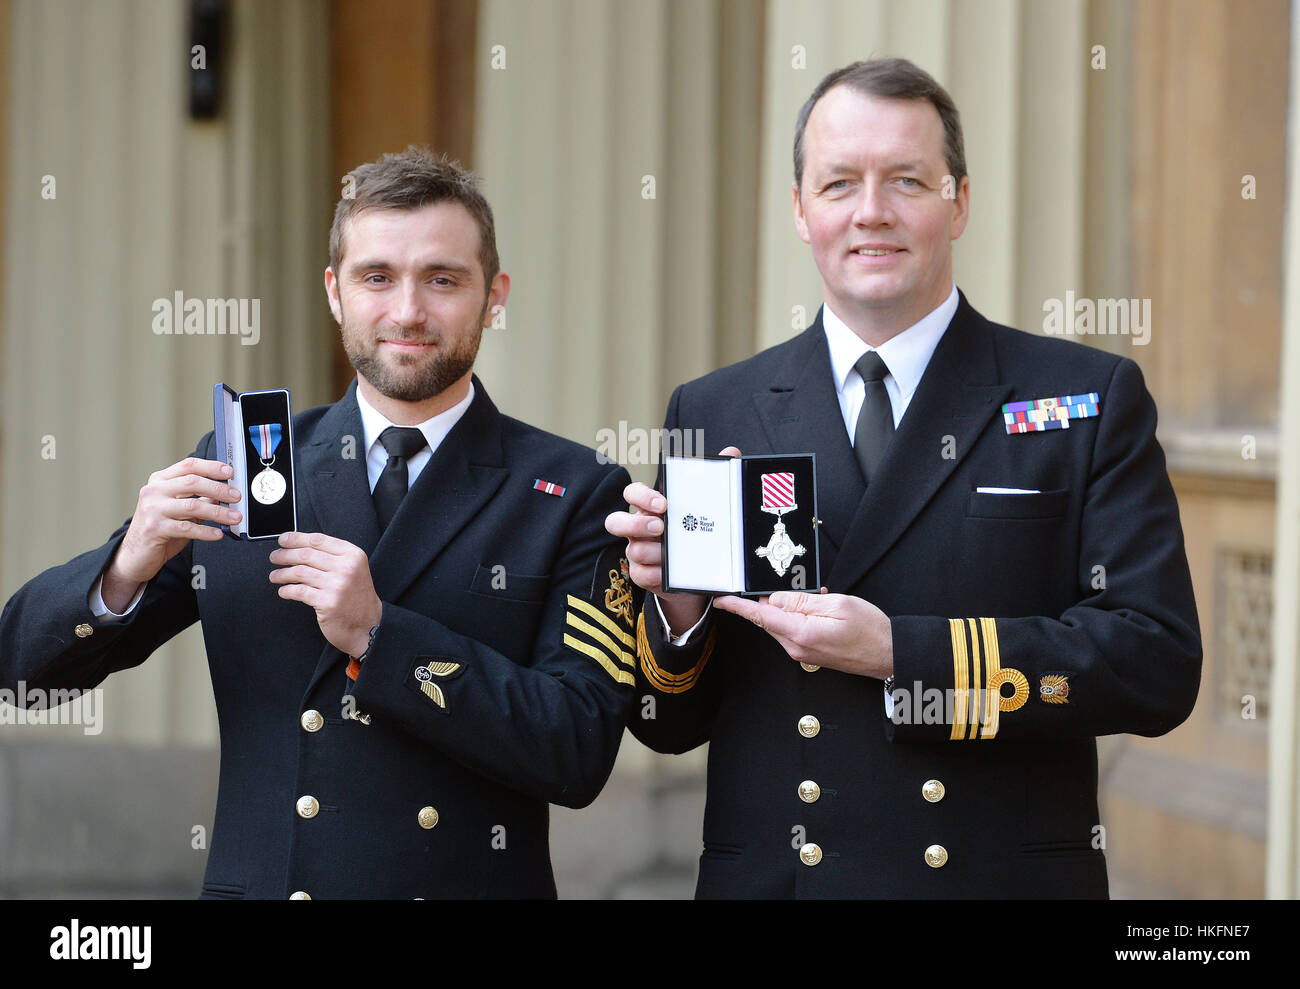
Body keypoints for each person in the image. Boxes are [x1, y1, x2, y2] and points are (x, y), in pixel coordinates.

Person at [606, 58, 1201, 898]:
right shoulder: (717, 407)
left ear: (959, 202)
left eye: (907, 181)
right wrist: (678, 611)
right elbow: (669, 727)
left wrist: (902, 655)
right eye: (840, 183)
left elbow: (1156, 665)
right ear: (800, 209)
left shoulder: (1081, 398)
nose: (871, 213)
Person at [0, 148, 638, 899]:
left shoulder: (574, 492)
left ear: (494, 295)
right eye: (377, 277)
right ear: (335, 293)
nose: (407, 311)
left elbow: (576, 748)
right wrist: (125, 566)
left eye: (443, 279)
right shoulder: (251, 461)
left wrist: (381, 635)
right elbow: (19, 672)